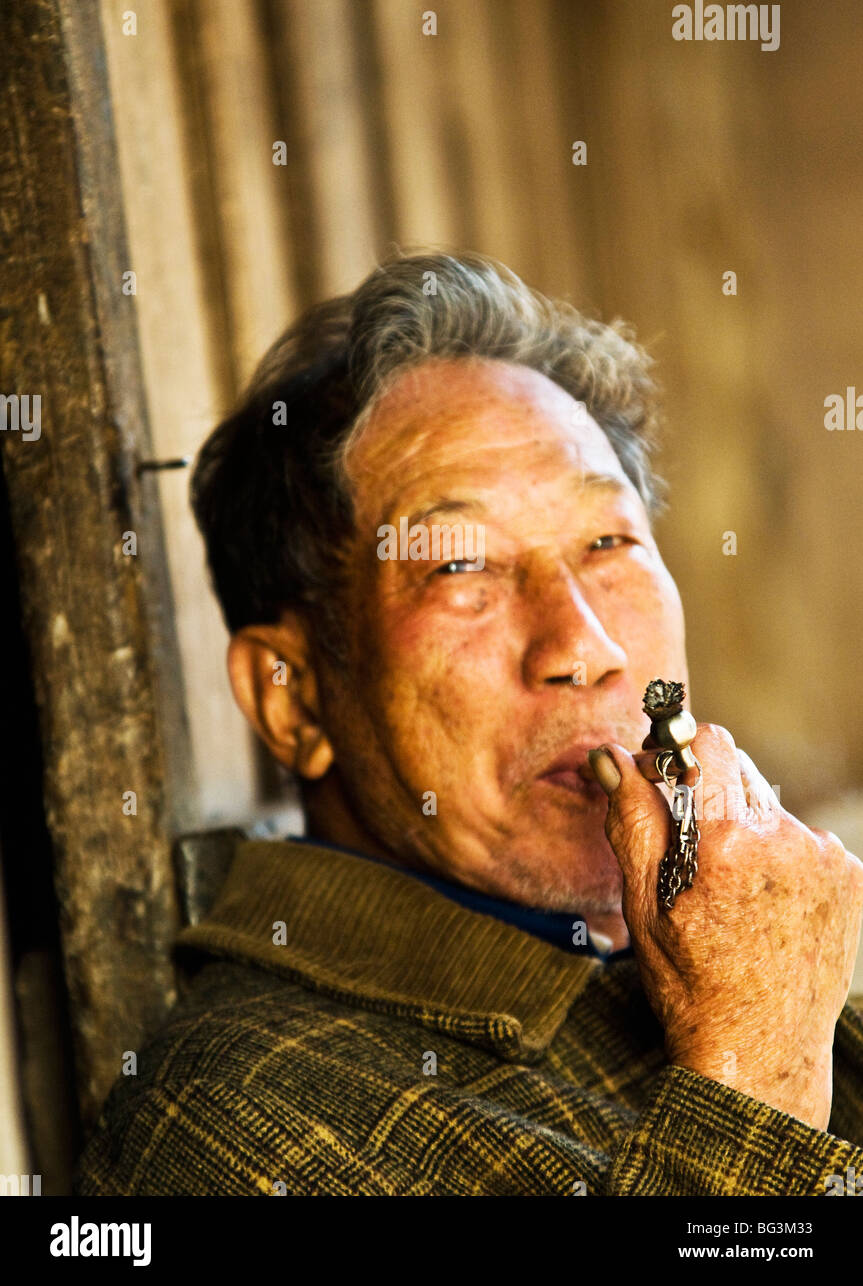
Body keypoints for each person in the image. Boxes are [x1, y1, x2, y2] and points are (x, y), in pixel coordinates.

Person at [75, 250, 863, 1195]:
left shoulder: (698, 958)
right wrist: (757, 1066)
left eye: (608, 542)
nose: (583, 644)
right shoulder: (230, 1114)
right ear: (291, 696)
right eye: (459, 568)